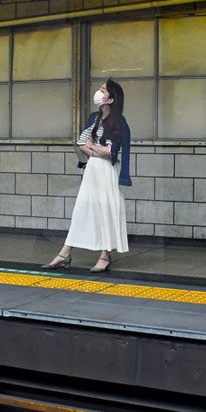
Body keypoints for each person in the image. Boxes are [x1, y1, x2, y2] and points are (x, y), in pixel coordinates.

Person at [41, 79, 132, 273]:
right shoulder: (93, 117)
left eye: (103, 90)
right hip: (92, 170)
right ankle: (65, 251)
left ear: (111, 99)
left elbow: (112, 152)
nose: (98, 92)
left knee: (105, 211)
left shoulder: (120, 123)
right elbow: (82, 142)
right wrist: (95, 149)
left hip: (107, 172)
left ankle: (105, 255)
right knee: (82, 209)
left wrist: (93, 147)